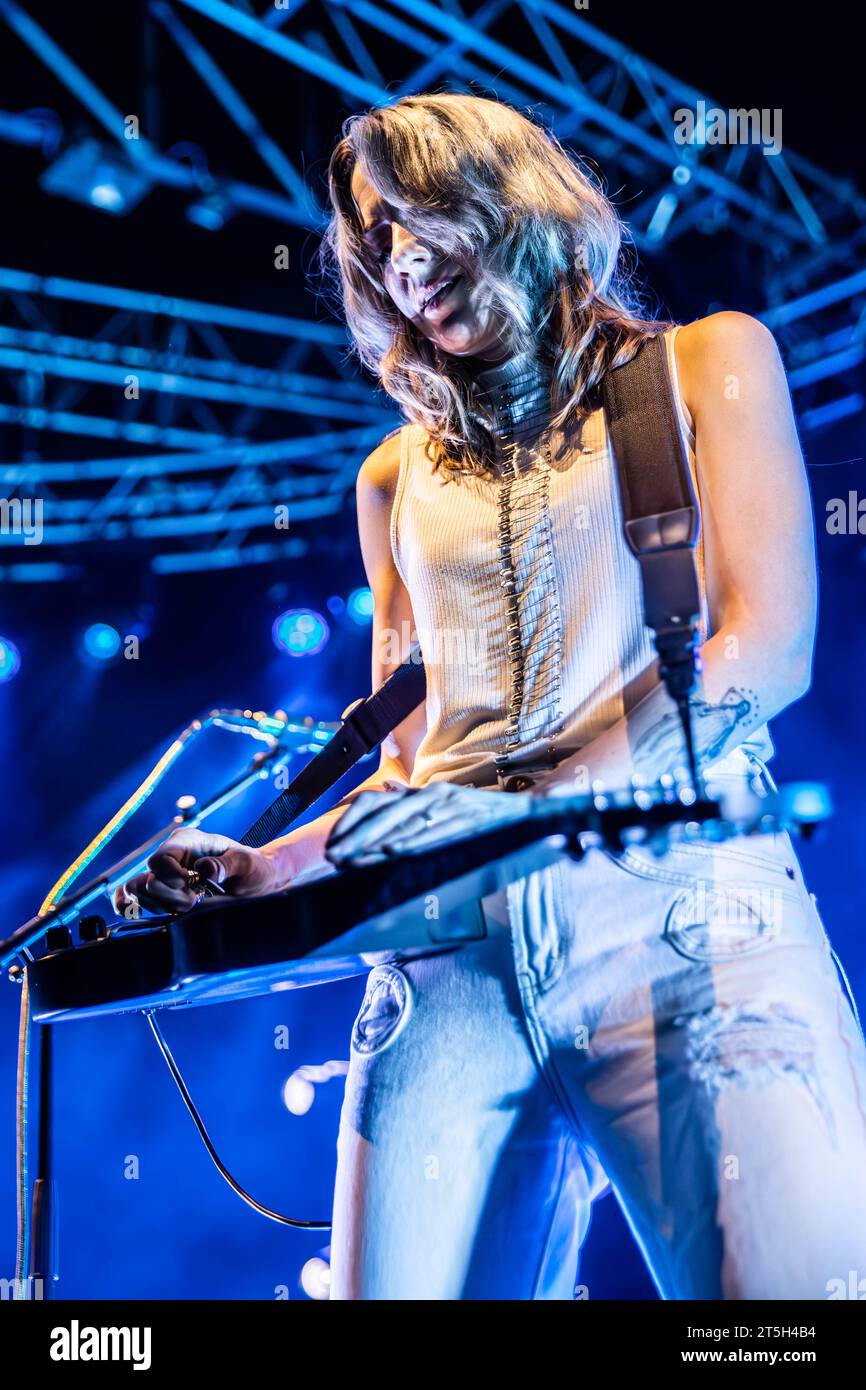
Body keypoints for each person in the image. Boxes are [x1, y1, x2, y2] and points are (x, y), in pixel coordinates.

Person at [117, 93, 866, 1300]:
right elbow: (413, 773)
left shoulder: (699, 365)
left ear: (514, 194)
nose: (400, 260)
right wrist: (270, 866)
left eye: (419, 214)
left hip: (676, 918)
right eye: (374, 239)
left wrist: (531, 804)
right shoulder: (387, 478)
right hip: (442, 959)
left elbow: (766, 651)